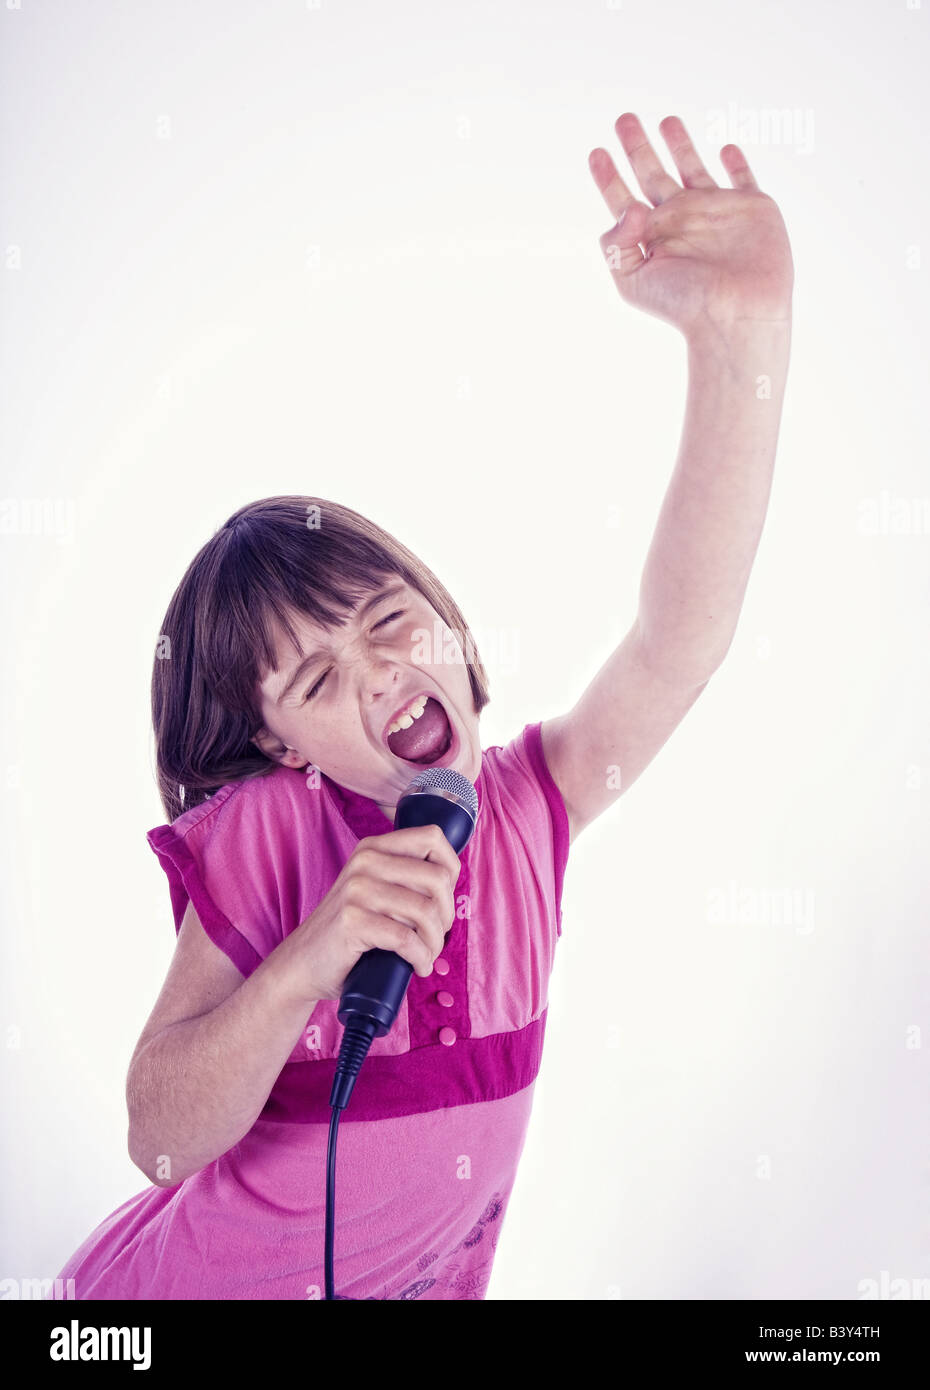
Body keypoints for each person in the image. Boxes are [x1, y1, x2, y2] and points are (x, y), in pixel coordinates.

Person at [50, 112, 793, 1300]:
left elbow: (678, 641)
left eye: (390, 623)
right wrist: (309, 960)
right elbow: (159, 1138)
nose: (380, 673)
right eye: (315, 680)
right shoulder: (271, 840)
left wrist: (740, 340)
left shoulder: (533, 809)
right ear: (277, 746)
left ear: (446, 617)